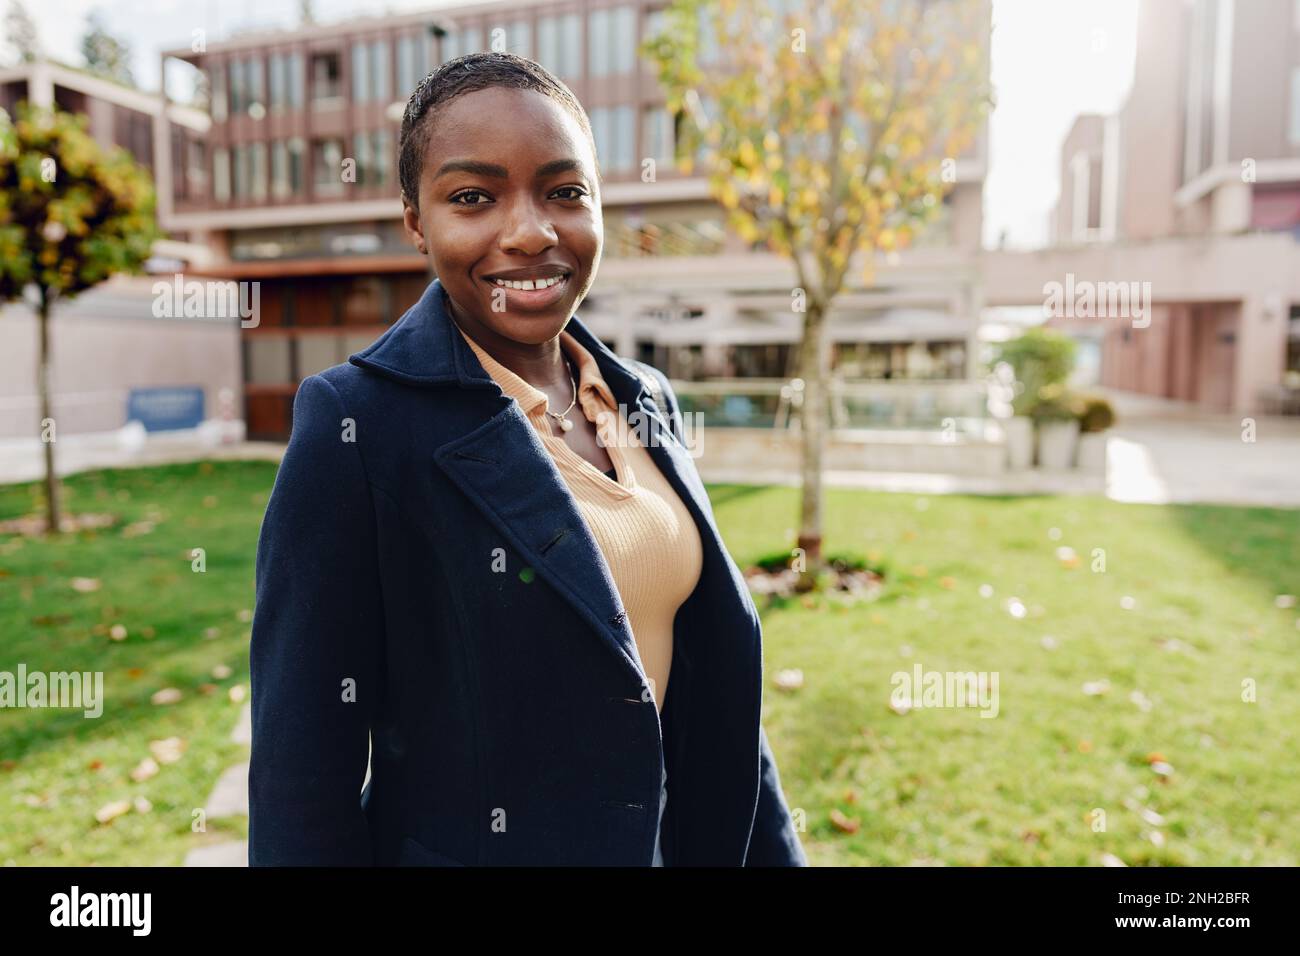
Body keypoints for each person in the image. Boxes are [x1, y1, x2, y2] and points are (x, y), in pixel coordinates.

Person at [248, 51, 806, 867]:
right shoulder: (357, 423)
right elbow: (302, 779)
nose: (530, 231)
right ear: (416, 221)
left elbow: (714, 698)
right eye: (473, 197)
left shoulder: (642, 397)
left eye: (564, 191)